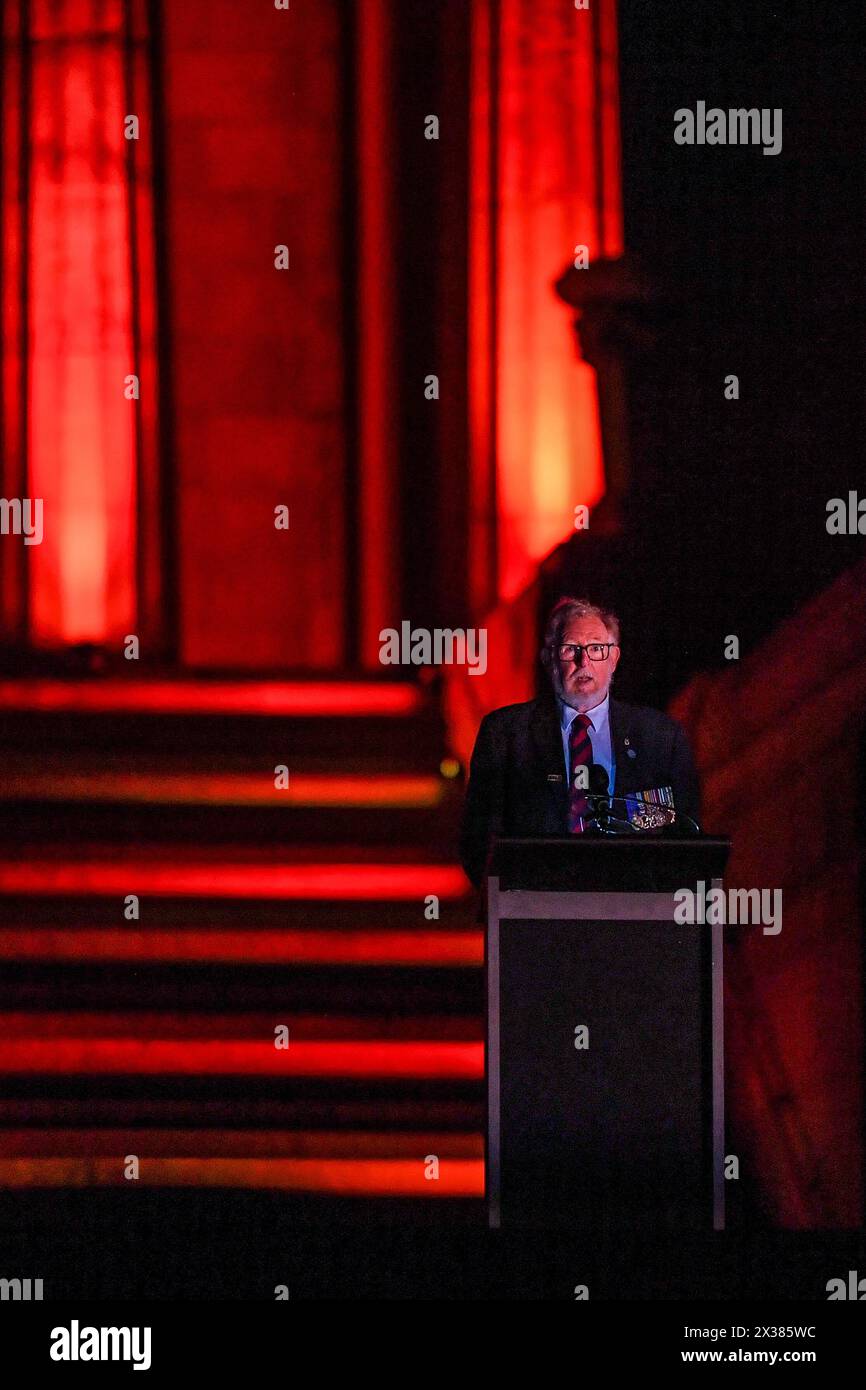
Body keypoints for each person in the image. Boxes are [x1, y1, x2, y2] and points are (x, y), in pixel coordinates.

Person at [459, 596, 701, 887]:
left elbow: (687, 840)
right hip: (537, 912)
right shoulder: (506, 735)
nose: (583, 661)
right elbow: (478, 842)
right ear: (549, 658)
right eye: (570, 649)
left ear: (614, 659)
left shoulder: (661, 737)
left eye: (597, 649)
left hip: (633, 912)